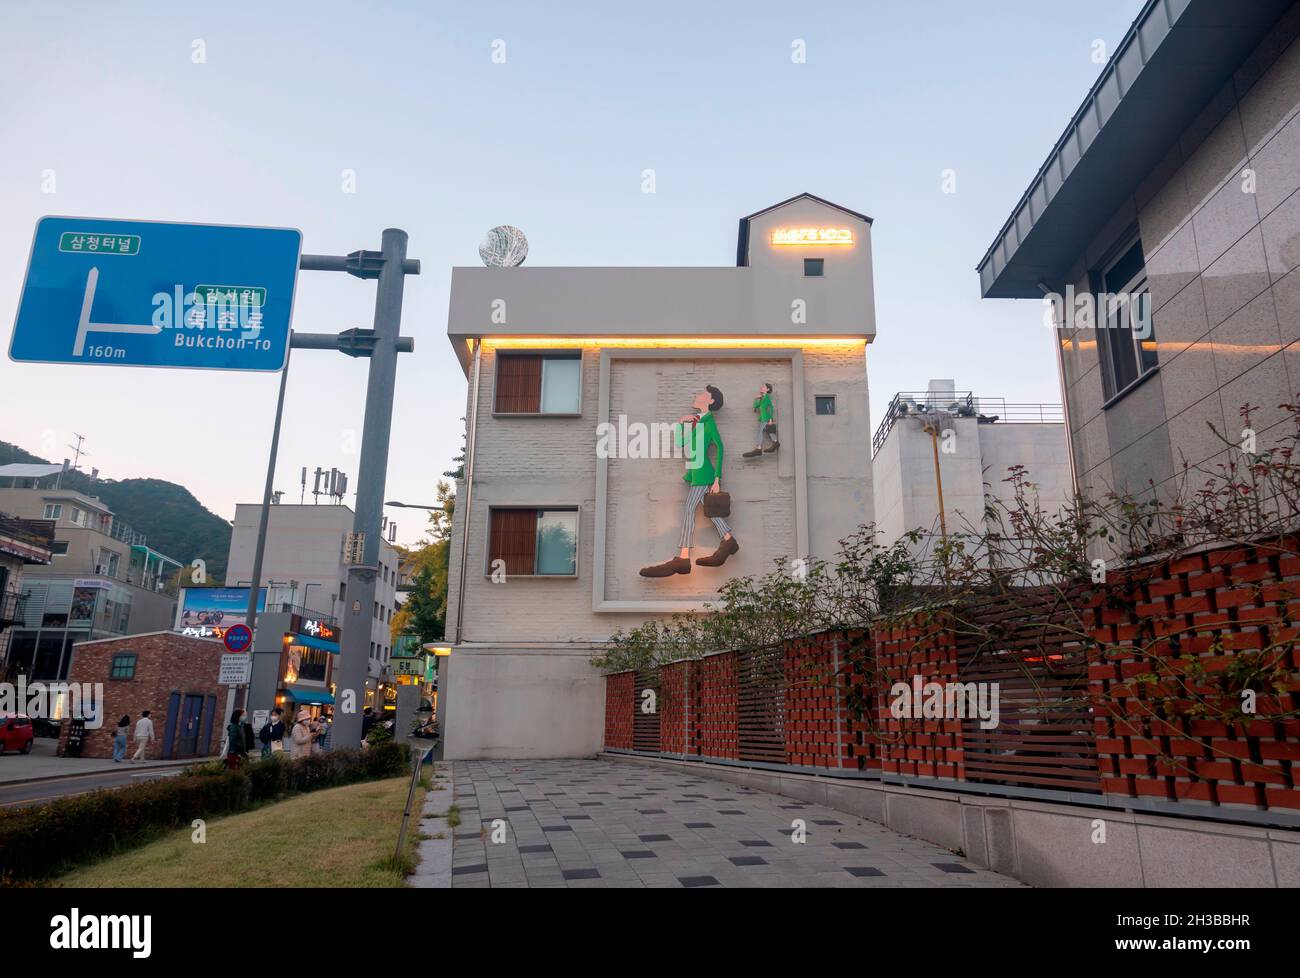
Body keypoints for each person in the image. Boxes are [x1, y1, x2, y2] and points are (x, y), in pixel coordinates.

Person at [640, 384, 740, 577]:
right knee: (711, 512)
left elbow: (720, 447)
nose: (698, 395)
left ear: (710, 401)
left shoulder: (709, 423)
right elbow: (681, 443)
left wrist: (717, 478)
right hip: (695, 473)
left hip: (703, 473)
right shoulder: (697, 422)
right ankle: (728, 540)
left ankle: (684, 558)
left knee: (688, 511)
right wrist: (681, 423)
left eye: (703, 394)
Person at [743, 382, 779, 458]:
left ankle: (759, 448)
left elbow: (771, 408)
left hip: (766, 418)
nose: (761, 388)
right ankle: (775, 442)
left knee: (761, 432)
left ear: (767, 389)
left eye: (763, 387)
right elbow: (755, 406)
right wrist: (756, 398)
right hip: (763, 418)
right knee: (769, 431)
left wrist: (770, 419)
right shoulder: (762, 398)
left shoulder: (767, 398)